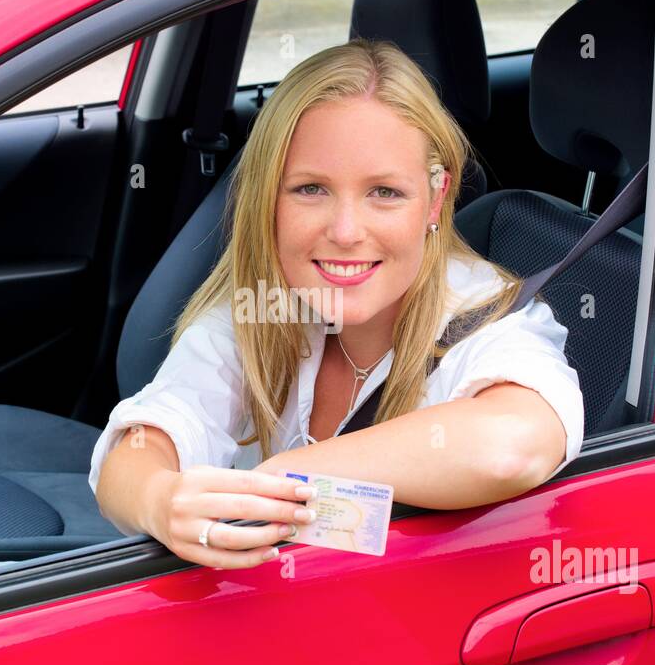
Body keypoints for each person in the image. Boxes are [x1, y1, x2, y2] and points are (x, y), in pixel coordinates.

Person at [90, 37, 584, 569]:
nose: (346, 232)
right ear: (268, 199)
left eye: (385, 193)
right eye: (311, 189)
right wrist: (161, 501)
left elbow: (512, 445)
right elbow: (142, 440)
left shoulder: (486, 319)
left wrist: (286, 475)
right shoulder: (267, 306)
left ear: (436, 199)